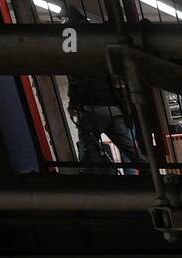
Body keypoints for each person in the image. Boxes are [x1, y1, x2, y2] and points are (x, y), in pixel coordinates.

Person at [61, 7, 145, 174]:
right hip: (115, 106)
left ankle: (94, 183)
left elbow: (76, 77)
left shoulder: (74, 43)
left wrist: (73, 101)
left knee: (88, 148)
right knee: (131, 150)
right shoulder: (98, 38)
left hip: (92, 107)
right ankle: (151, 176)